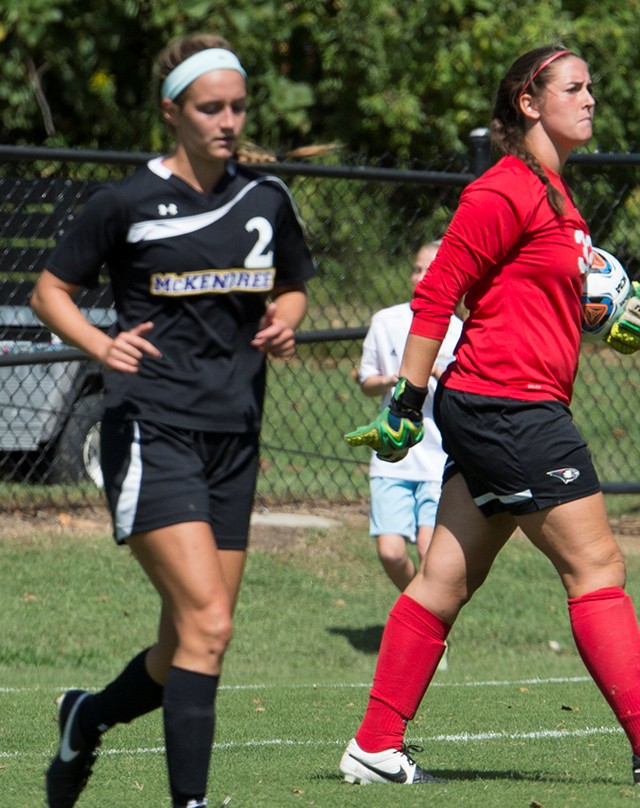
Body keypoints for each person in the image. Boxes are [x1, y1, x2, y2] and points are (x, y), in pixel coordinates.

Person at [340, 44, 640, 787]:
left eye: (592, 85)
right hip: (509, 407)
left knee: (441, 581)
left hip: (500, 406)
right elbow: (438, 294)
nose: (589, 97)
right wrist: (405, 398)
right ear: (528, 103)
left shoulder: (557, 197)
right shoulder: (502, 190)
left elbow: (524, 294)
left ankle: (374, 745)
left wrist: (602, 310)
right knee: (595, 566)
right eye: (573, 86)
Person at [31, 32, 316, 808]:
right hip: (151, 431)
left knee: (188, 643)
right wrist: (99, 342)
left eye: (237, 106)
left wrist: (284, 319)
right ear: (174, 112)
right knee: (210, 624)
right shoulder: (126, 201)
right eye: (210, 107)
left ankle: (85, 717)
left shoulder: (266, 197)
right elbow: (49, 290)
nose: (228, 120)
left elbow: (292, 283)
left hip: (235, 437)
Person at [356, 240, 463, 592]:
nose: (420, 277)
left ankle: (426, 626)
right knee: (391, 553)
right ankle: (418, 611)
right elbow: (366, 381)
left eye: (429, 270)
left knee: (430, 552)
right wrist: (395, 379)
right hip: (393, 457)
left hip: (438, 458)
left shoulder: (459, 330)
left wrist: (432, 371)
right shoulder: (386, 321)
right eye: (416, 269)